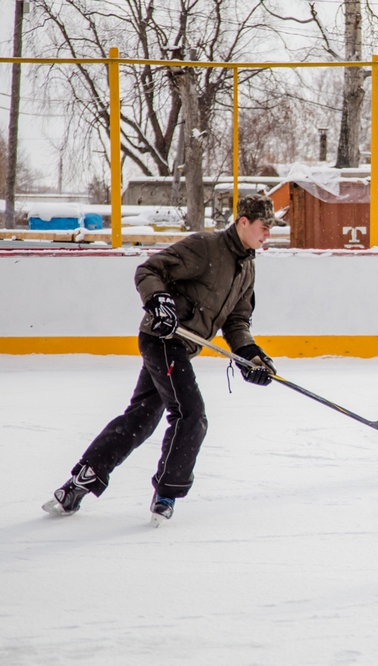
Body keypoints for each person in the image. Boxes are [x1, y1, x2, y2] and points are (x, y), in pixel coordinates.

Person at [43, 195, 280, 525]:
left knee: (141, 418)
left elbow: (237, 321)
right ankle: (167, 492)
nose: (268, 234)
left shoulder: (247, 268)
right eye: (264, 227)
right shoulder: (206, 247)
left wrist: (250, 355)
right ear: (243, 222)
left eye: (271, 228)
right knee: (191, 414)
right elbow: (150, 270)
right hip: (163, 339)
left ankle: (81, 481)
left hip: (181, 347)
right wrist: (159, 301)